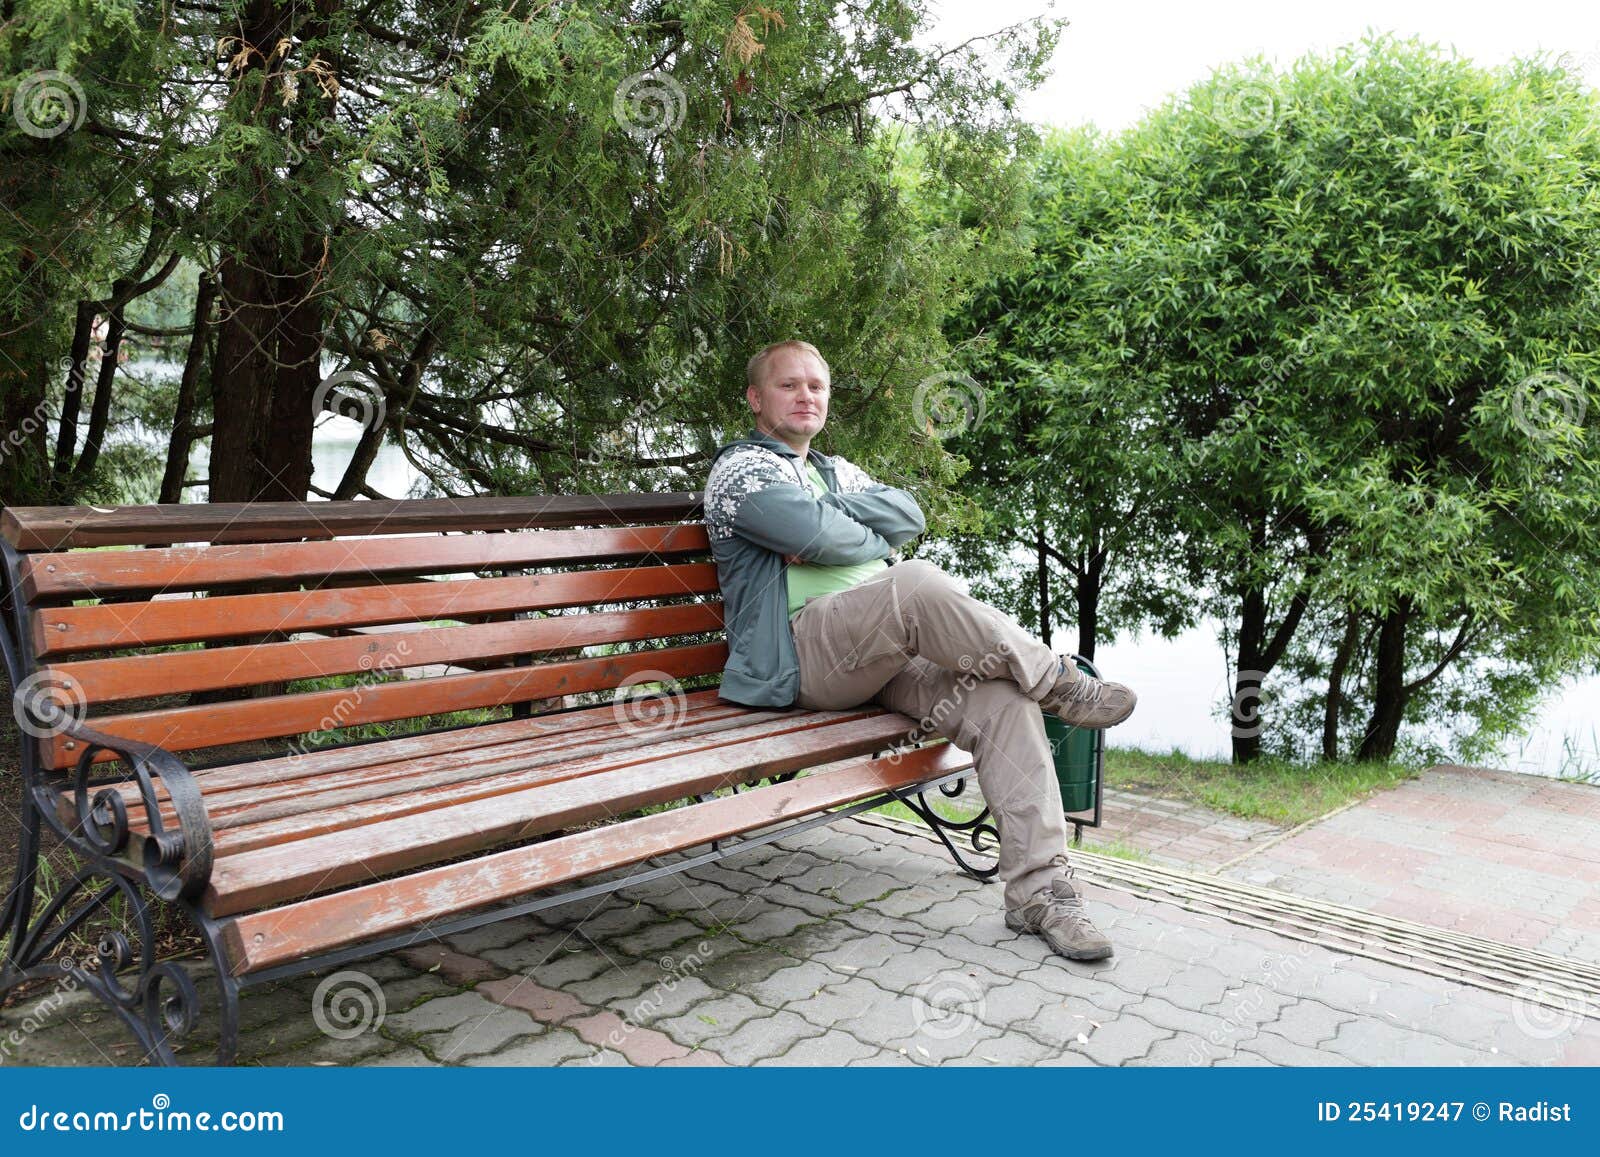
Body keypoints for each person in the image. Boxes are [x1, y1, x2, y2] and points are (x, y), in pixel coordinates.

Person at [702, 339, 1138, 961]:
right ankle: (1060, 683)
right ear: (755, 398)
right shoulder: (741, 471)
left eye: (817, 386)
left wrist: (827, 523)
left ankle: (1041, 895)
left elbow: (906, 514)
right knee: (915, 581)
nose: (806, 396)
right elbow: (811, 531)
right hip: (805, 654)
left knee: (998, 697)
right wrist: (836, 531)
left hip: (885, 656)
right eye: (788, 385)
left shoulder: (837, 470)